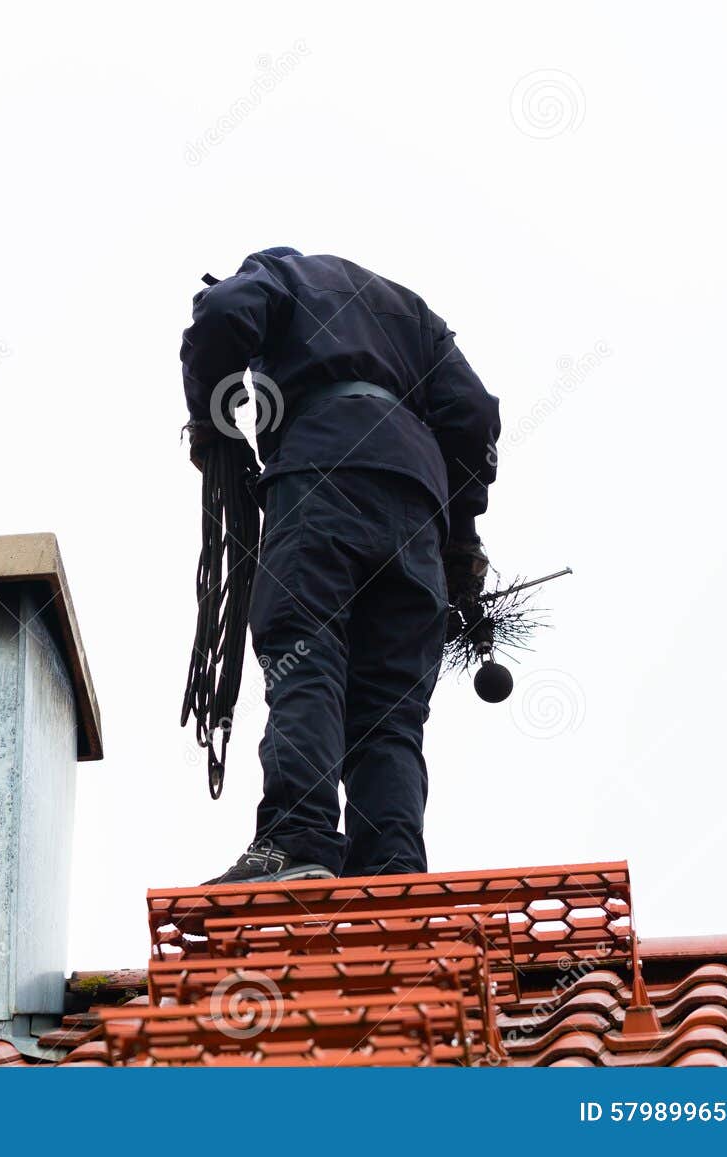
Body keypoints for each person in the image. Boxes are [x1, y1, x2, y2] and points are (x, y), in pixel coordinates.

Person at [182, 247, 501, 885]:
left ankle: (296, 841)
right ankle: (392, 871)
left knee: (307, 653)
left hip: (324, 478)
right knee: (391, 707)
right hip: (417, 513)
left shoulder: (282, 274)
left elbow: (223, 311)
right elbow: (473, 414)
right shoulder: (418, 319)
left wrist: (212, 422)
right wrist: (461, 536)